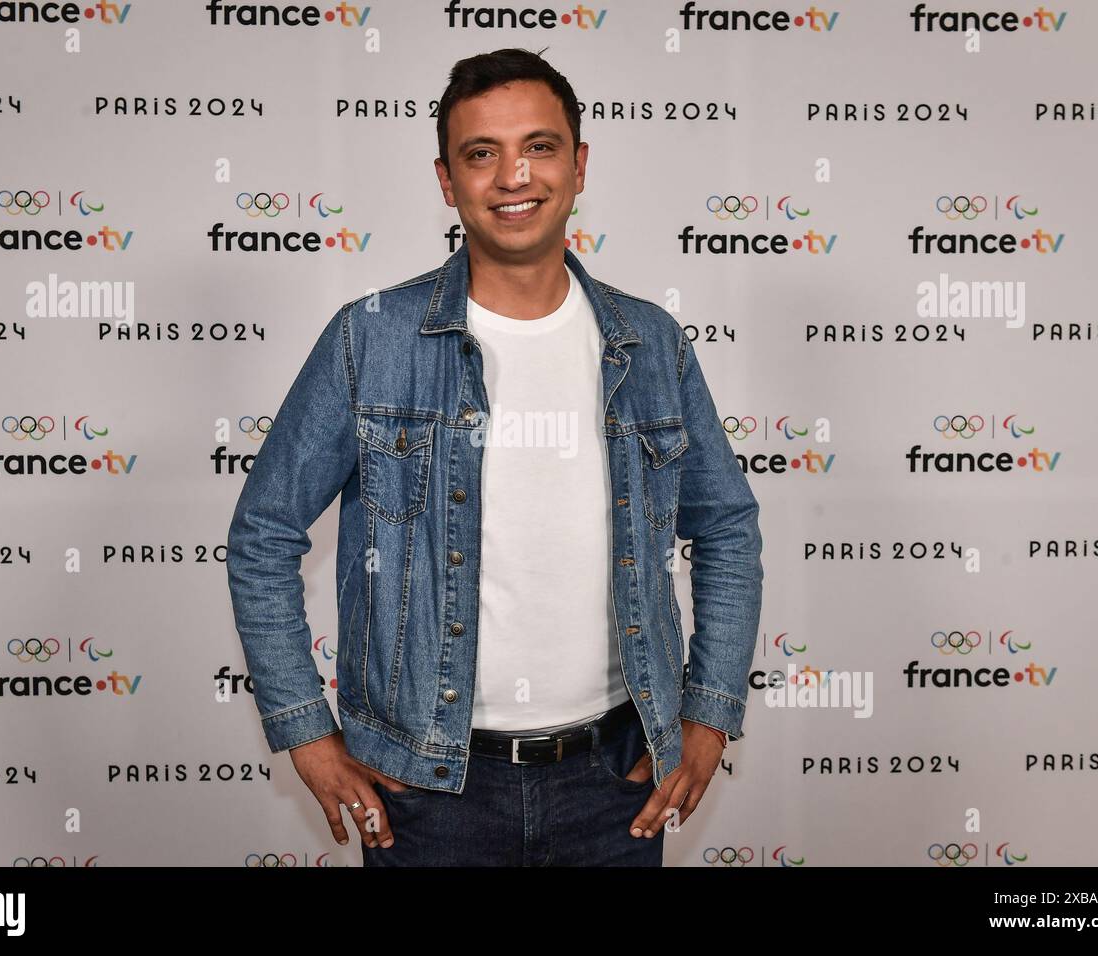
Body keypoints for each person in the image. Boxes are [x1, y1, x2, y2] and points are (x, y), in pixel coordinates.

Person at [225, 47, 763, 867]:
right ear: (448, 180)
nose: (514, 177)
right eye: (483, 154)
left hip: (615, 784)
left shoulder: (649, 343)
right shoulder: (370, 338)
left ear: (578, 166)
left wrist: (710, 712)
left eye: (539, 147)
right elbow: (264, 533)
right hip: (426, 795)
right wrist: (306, 729)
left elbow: (725, 527)